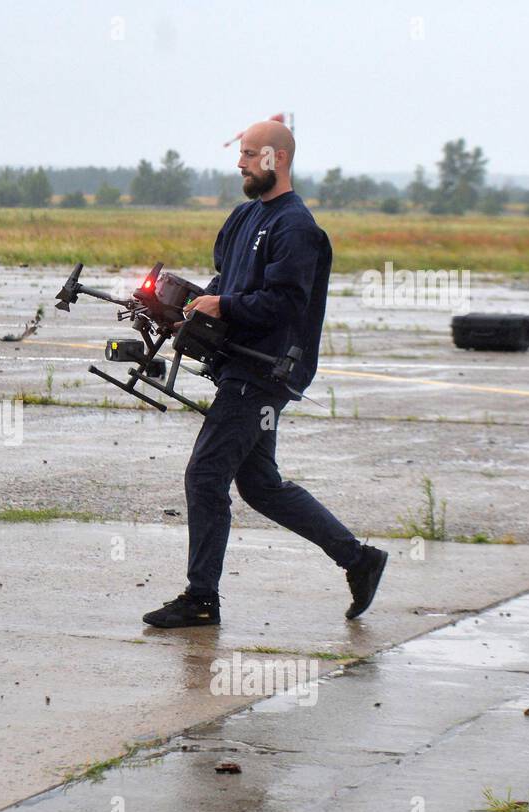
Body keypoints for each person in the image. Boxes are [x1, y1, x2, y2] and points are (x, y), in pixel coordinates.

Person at [143, 120, 387, 629]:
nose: (241, 164)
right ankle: (359, 559)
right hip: (238, 365)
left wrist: (223, 305)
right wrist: (180, 305)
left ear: (277, 159)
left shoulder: (296, 227)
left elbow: (284, 304)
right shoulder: (241, 218)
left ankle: (201, 598)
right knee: (260, 485)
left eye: (251, 155)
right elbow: (222, 282)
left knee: (205, 475)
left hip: (265, 372)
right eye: (241, 155)